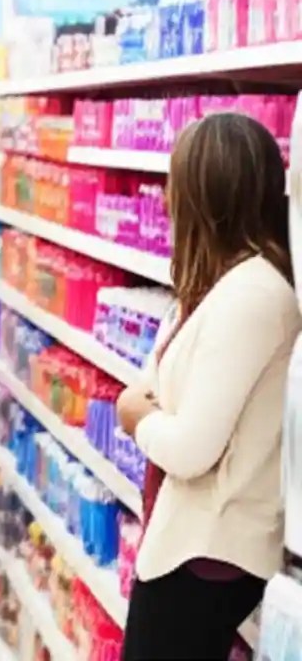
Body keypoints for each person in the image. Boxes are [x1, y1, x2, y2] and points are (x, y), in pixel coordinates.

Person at [115, 113, 301, 660]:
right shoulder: (215, 282)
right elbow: (155, 372)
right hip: (186, 540)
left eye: (176, 180)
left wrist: (137, 418)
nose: (167, 197)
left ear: (206, 192)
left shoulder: (253, 296)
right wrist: (147, 405)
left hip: (208, 553)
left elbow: (192, 447)